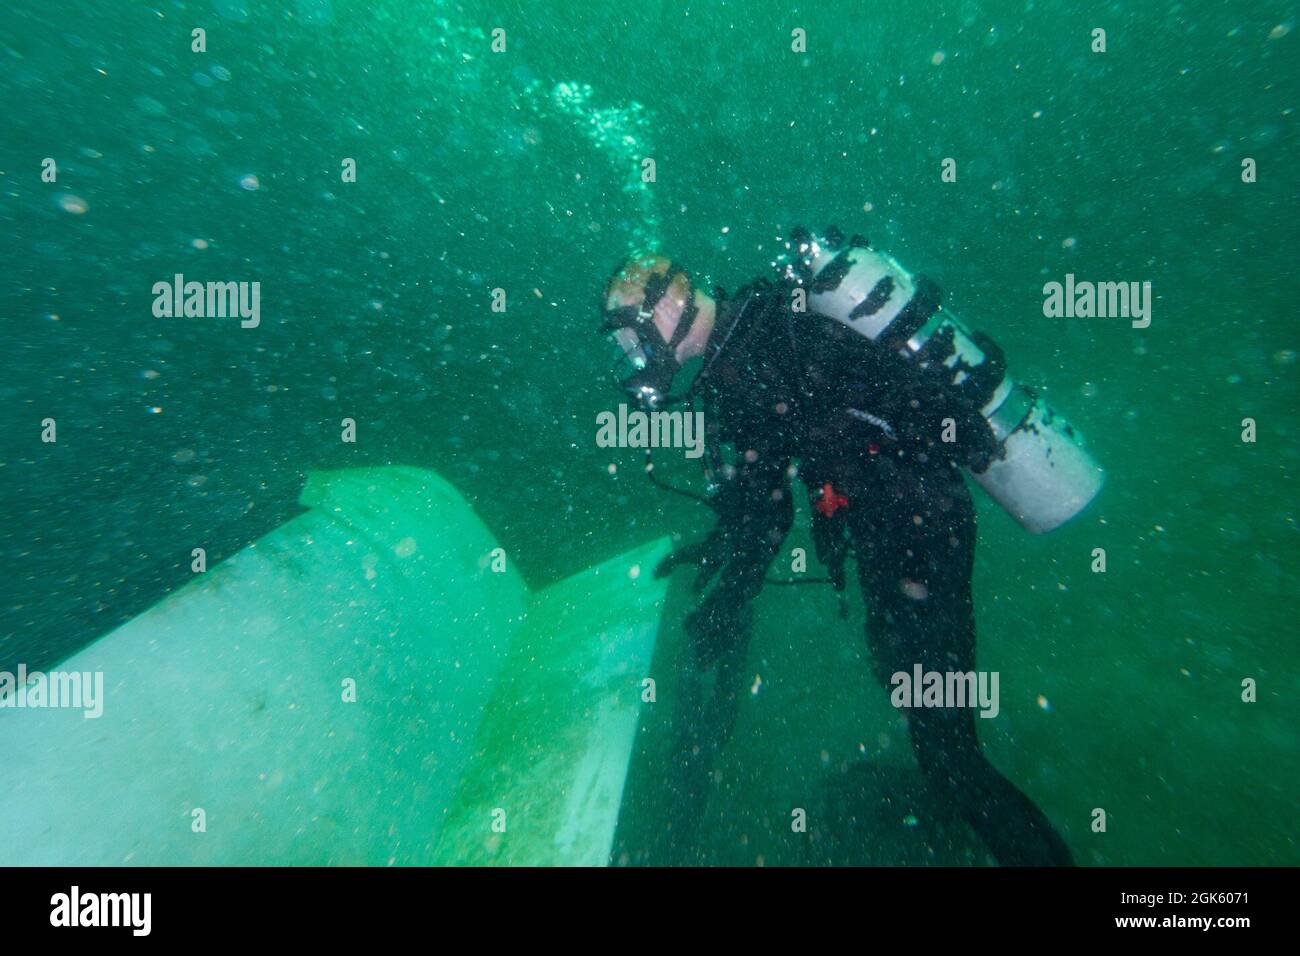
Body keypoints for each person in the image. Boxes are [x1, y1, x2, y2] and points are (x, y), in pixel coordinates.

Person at [599, 229, 1074, 866]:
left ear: (666, 308)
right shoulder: (737, 364)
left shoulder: (783, 336)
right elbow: (762, 504)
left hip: (919, 539)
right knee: (909, 688)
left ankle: (993, 822)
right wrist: (728, 578)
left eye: (632, 336)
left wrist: (913, 476)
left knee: (949, 750)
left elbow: (914, 409)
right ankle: (954, 796)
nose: (633, 356)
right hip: (894, 543)